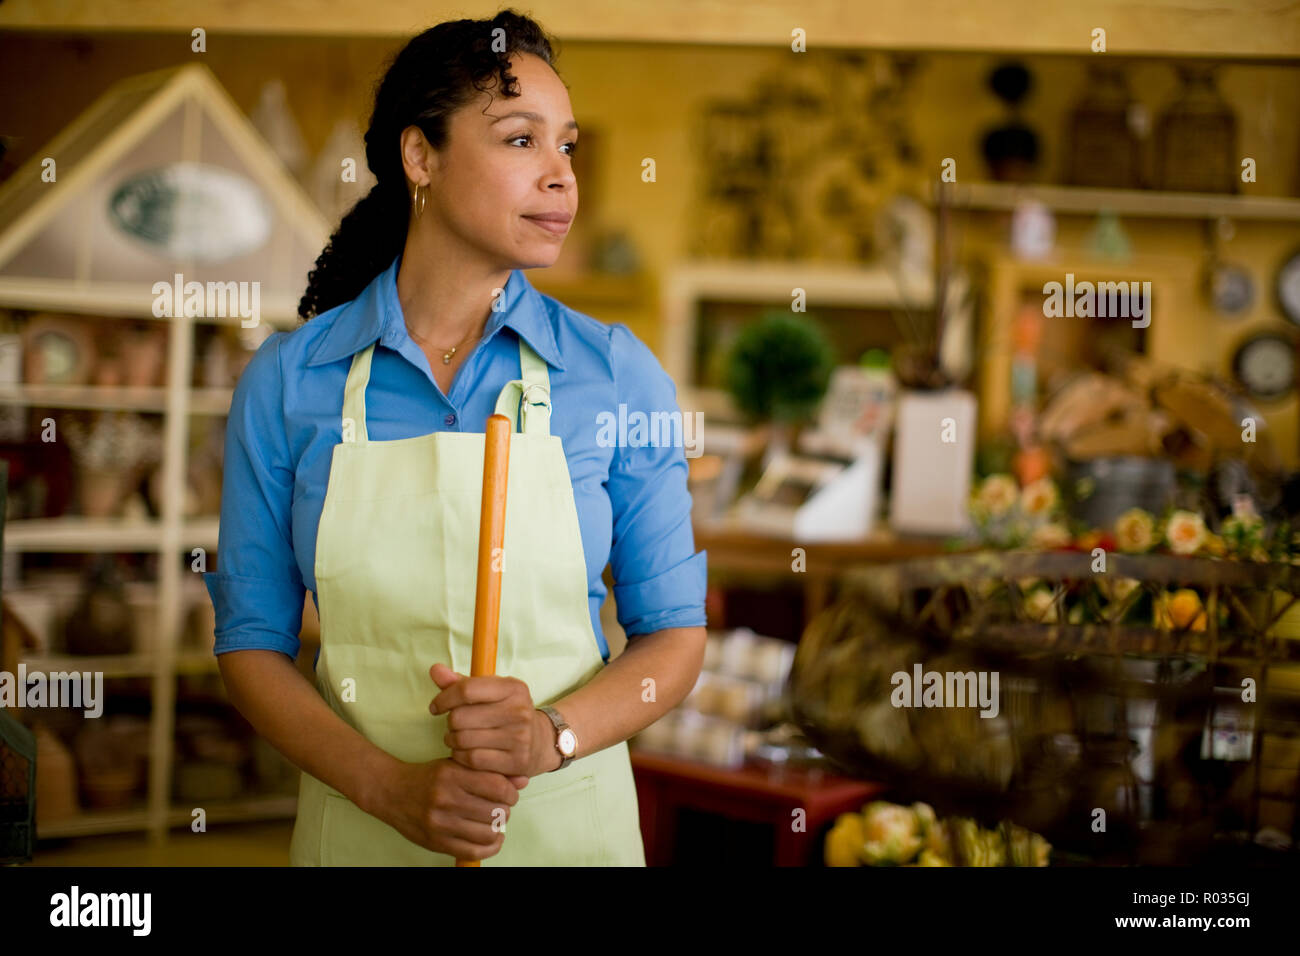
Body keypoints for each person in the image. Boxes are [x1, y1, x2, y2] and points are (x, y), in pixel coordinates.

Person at [205, 9, 708, 866]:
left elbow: (674, 637)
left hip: (568, 836)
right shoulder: (291, 381)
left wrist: (549, 737)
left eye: (569, 146)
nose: (561, 177)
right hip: (359, 833)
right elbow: (252, 645)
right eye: (521, 141)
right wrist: (389, 790)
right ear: (420, 158)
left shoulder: (618, 374)